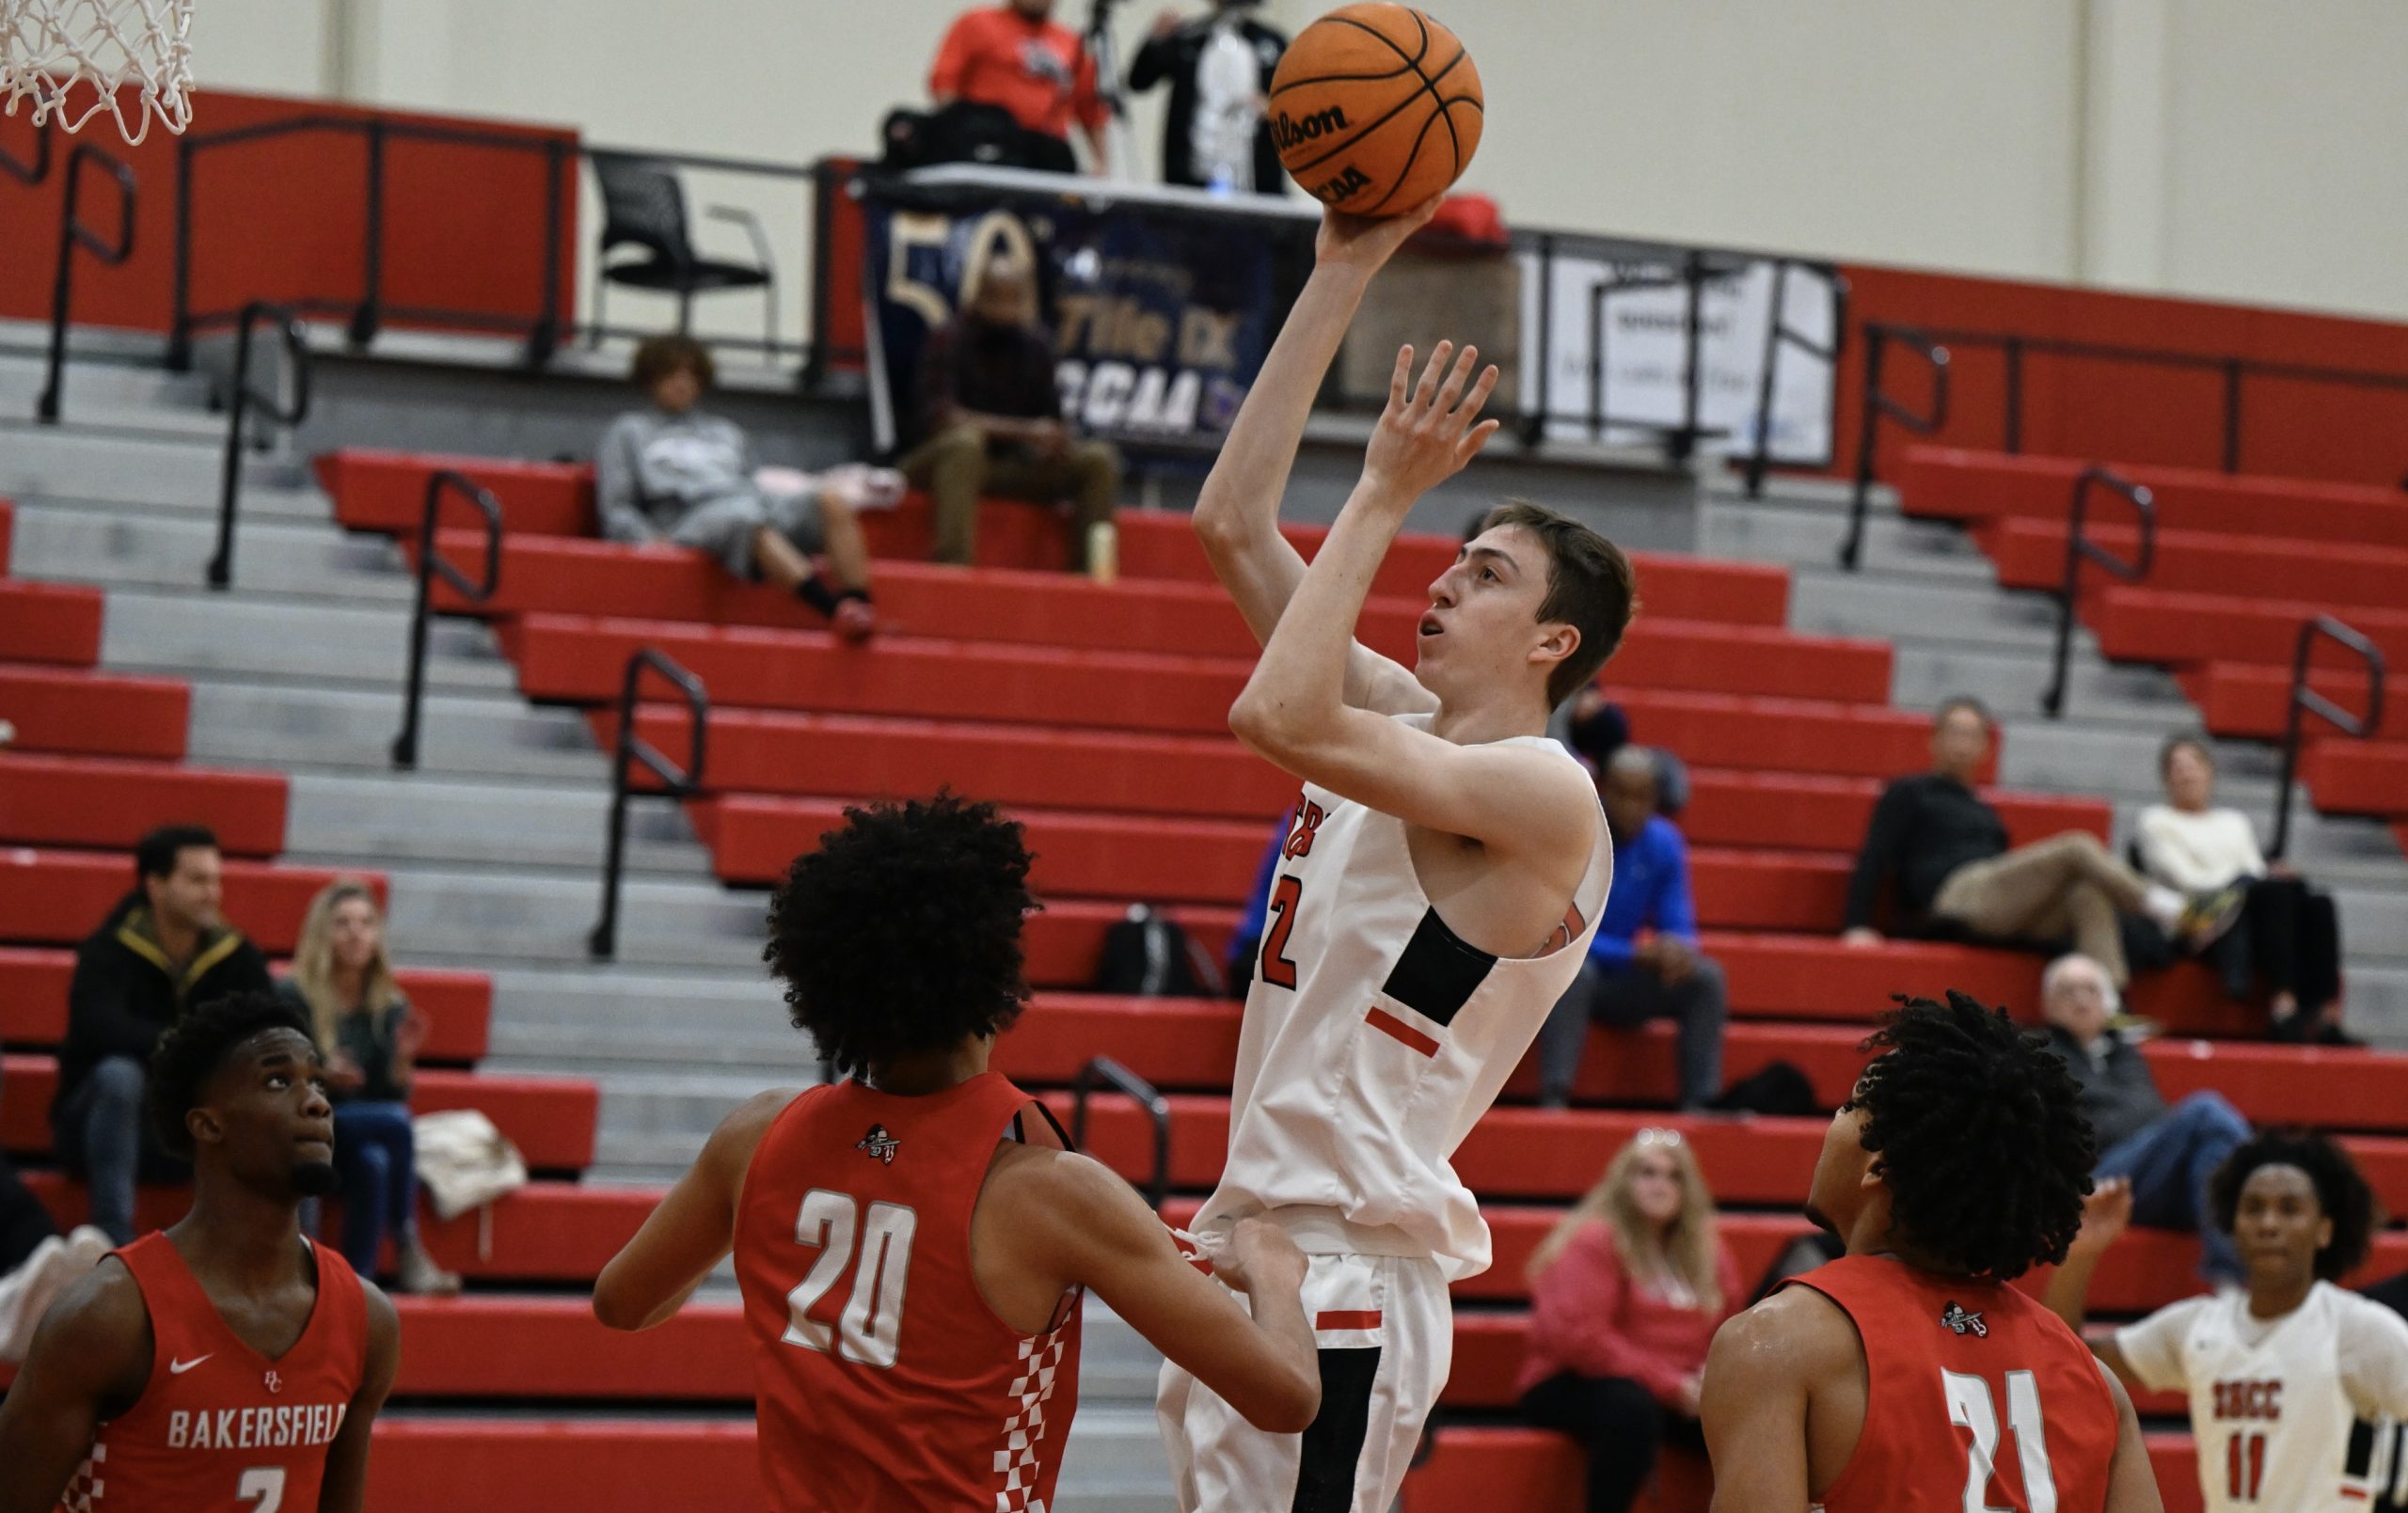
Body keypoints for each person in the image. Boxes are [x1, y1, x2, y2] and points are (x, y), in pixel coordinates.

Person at [1169, 197, 1626, 1513]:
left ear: (1555, 646)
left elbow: (1273, 714)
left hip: (1346, 1267)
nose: (1439, 582)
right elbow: (1230, 524)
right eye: (1452, 558)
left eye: (1484, 575)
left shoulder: (1545, 799)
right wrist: (1345, 267)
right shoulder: (1397, 723)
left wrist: (1379, 491)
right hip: (1261, 1240)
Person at [592, 793, 1322, 1511]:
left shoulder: (754, 1138)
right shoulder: (1054, 1195)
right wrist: (1273, 1271)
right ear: (996, 978)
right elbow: (1285, 1396)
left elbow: (623, 1302)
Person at [1699, 992, 2161, 1513]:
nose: (1835, 1115)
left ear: (1880, 1166)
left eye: (1853, 1105)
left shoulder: (1775, 1342)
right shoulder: (2098, 1385)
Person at [0, 991, 401, 1513]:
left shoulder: (365, 1319)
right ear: (208, 1124)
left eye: (318, 1081)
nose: (317, 1102)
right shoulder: (109, 1315)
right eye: (279, 1081)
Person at [2046, 1128, 2408, 1513]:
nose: (2269, 1223)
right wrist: (2080, 1254)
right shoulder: (2197, 1327)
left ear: (2324, 1230)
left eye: (2289, 1209)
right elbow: (2069, 1365)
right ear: (2231, 1226)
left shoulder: (2358, 1329)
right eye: (2253, 1208)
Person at [1841, 696, 2240, 986]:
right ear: (1934, 740)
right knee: (2078, 845)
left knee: (2087, 894)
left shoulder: (1984, 812)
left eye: (1972, 734)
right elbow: (1875, 854)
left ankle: (2108, 1006)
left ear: (1985, 747)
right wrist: (1857, 924)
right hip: (1954, 896)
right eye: (1954, 732)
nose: (1962, 743)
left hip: (1993, 901)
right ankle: (2173, 911)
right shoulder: (1909, 792)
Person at [50, 825, 274, 1246]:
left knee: (278, 1094)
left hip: (192, 1132)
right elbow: (99, 1028)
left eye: (216, 879)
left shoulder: (237, 954)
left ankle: (287, 1257)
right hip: (101, 1128)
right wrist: (193, 1047)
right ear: (155, 885)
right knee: (119, 1077)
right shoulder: (107, 950)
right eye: (197, 880)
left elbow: (270, 1032)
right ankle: (112, 1237)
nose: (212, 892)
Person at [596, 335, 882, 641]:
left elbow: (751, 479)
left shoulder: (726, 431)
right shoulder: (628, 431)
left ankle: (860, 604)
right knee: (745, 520)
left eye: (690, 375)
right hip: (686, 517)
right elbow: (617, 506)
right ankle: (831, 609)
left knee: (831, 500)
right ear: (650, 380)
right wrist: (649, 540)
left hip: (748, 500)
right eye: (671, 374)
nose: (681, 383)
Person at [1518, 1129, 1741, 1513]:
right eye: (1648, 1173)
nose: (1661, 1185)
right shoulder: (1595, 1240)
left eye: (1674, 1177)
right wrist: (1671, 1385)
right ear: (1624, 1181)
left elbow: (1730, 1324)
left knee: (1754, 1419)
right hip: (1575, 1381)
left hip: (1676, 1391)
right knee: (1630, 1409)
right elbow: (1579, 1338)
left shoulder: (1707, 1252)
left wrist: (1711, 1379)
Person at [279, 881, 459, 1298]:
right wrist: (321, 1074)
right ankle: (408, 1244)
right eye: (343, 923)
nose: (356, 933)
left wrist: (399, 1063)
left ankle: (358, 1284)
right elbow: (277, 1078)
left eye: (365, 923)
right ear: (322, 934)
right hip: (303, 1129)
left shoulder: (388, 1003)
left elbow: (387, 1096)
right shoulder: (293, 995)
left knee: (376, 1160)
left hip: (354, 1133)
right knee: (395, 1124)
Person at [2036, 952, 2251, 1284]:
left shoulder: (2126, 1053)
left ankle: (2231, 1284)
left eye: (2090, 989)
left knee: (2211, 1153)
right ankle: (2238, 1275)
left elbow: (2151, 1113)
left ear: (2108, 1000)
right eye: (2068, 990)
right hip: (2098, 1177)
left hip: (2152, 1172)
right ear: (2048, 1004)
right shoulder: (2038, 1052)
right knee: (2205, 1111)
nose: (2080, 999)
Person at [899, 257, 1122, 573]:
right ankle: (953, 569)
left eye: (1012, 300)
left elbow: (1053, 419)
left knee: (1098, 459)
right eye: (996, 300)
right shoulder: (949, 338)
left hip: (1014, 466)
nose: (1004, 312)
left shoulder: (1037, 345)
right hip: (942, 466)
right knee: (965, 445)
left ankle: (1092, 575)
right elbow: (943, 420)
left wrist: (1051, 443)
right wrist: (1027, 431)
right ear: (978, 296)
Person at [1535, 747, 1727, 1111]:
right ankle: (1554, 1097)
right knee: (1576, 972)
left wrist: (1679, 948)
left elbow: (1679, 920)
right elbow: (1558, 933)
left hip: (1627, 981)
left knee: (1706, 978)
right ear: (1604, 789)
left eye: (1642, 797)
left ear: (1656, 799)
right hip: (1572, 973)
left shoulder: (1665, 841)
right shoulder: (1580, 834)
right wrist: (1633, 952)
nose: (1631, 806)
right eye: (1622, 793)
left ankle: (1700, 1101)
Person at [2138, 734, 2350, 1043]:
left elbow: (2254, 872)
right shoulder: (2155, 821)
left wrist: (2257, 878)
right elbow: (2189, 881)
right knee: (2272, 893)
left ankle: (2325, 1015)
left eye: (2194, 765)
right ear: (2165, 778)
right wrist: (2245, 879)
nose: (2187, 774)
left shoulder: (2234, 821)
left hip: (2247, 909)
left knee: (2316, 902)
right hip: (2200, 920)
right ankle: (2283, 1007)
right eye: (2178, 768)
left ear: (2210, 772)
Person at [929, 0, 1109, 174]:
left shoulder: (1072, 44)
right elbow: (944, 83)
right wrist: (960, 139)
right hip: (990, 149)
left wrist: (1101, 163)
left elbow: (1090, 109)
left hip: (1046, 155)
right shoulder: (978, 23)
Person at [1128, 1, 1287, 192]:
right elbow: (1139, 81)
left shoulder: (1272, 43)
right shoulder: (1189, 36)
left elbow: (1296, 108)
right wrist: (1156, 40)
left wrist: (1271, 109)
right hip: (1188, 178)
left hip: (1256, 179)